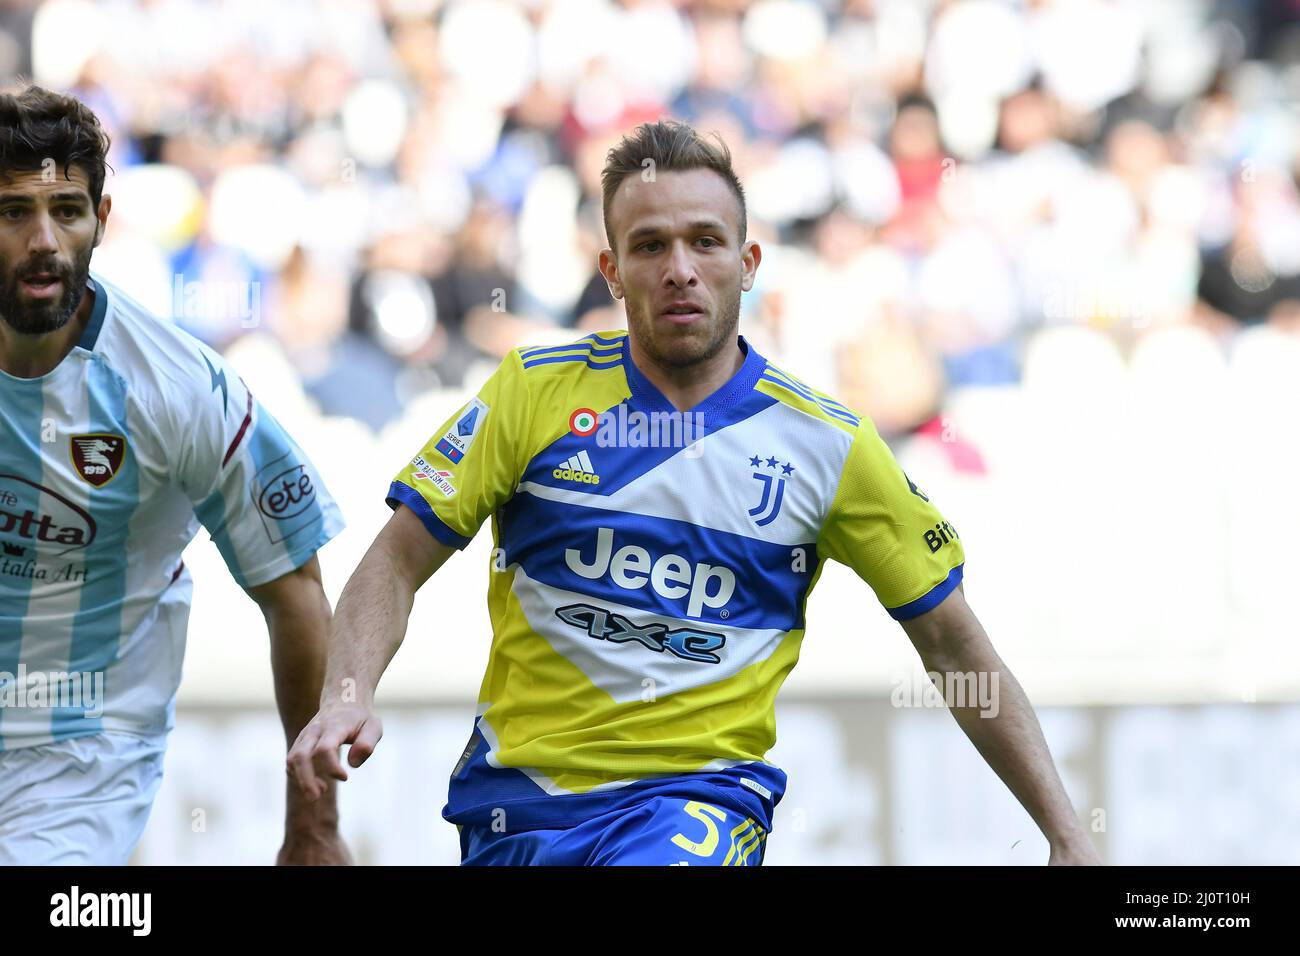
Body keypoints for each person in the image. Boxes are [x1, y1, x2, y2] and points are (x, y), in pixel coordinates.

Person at [289, 119, 1101, 866]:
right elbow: (395, 559)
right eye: (650, 246)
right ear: (611, 269)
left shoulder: (827, 445)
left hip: (696, 802)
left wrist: (1068, 837)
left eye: (706, 241)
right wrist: (347, 694)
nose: (680, 268)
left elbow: (955, 647)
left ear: (748, 263)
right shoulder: (529, 394)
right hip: (518, 806)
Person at [0, 84, 349, 865]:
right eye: (13, 211)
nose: (44, 240)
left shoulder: (179, 389)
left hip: (78, 758)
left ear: (102, 219)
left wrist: (314, 824)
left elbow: (295, 592)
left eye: (66, 208)